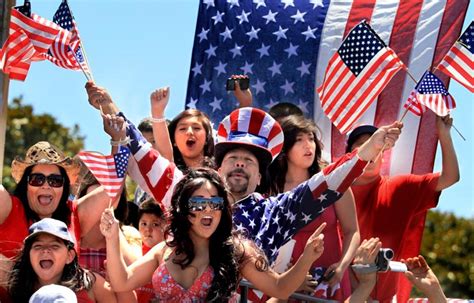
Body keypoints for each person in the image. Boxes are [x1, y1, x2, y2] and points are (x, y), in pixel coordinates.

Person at [85, 82, 402, 264]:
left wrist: (369, 150)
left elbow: (325, 183)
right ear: (217, 168)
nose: (240, 164)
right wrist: (111, 109)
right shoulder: (187, 194)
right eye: (233, 157)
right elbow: (145, 155)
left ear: (262, 177)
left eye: (250, 162)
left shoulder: (276, 212)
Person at [101, 168, 326, 301]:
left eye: (215, 203)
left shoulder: (237, 250)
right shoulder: (165, 249)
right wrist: (112, 238)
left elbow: (280, 288)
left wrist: (307, 258)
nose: (208, 209)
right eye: (198, 203)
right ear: (183, 209)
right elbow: (122, 283)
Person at [346, 115, 459, 302]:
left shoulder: (400, 188)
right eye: (361, 145)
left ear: (383, 154)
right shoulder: (333, 191)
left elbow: (450, 177)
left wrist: (444, 136)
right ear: (350, 154)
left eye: (376, 144)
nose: (370, 149)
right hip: (333, 296)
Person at [268, 115, 359, 300]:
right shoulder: (271, 188)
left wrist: (342, 266)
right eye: (299, 140)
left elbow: (352, 231)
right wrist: (280, 276)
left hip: (331, 280)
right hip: (286, 284)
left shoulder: (334, 180)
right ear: (284, 149)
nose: (308, 145)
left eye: (311, 138)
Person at [8, 218, 118, 302]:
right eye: (38, 246)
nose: (45, 250)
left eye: (54, 246)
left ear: (69, 256)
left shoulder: (91, 283)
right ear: (28, 255)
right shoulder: (16, 287)